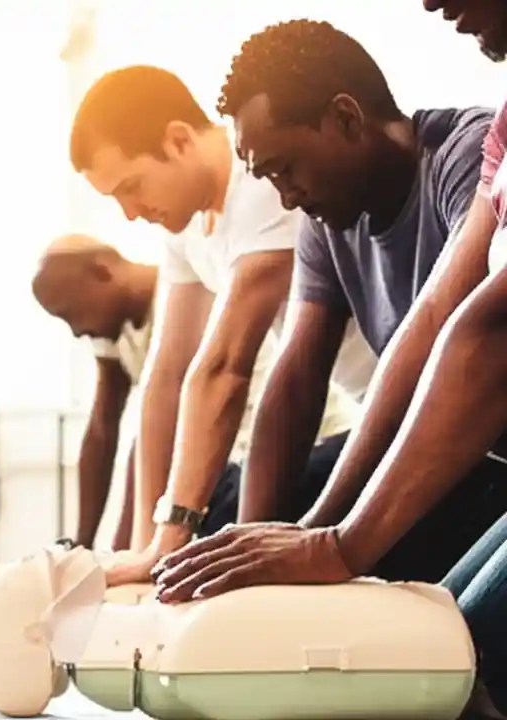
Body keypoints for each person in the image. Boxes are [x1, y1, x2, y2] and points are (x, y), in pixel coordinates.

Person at [157, 6, 507, 715]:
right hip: (451, 432)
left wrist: (331, 542)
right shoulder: (330, 215)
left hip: (481, 458)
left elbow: (465, 335)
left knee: (454, 661)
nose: (284, 195)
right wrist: (266, 548)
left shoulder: (461, 151)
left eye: (286, 168)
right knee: (449, 646)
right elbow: (310, 371)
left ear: (346, 119)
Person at [67, 65, 372, 586]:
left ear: (179, 140)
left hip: (412, 416)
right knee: (209, 519)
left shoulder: (262, 180)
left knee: (220, 517)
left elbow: (224, 366)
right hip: (379, 411)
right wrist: (145, 547)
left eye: (132, 186)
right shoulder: (185, 226)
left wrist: (170, 535)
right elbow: (165, 378)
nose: (131, 214)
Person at [32, 233, 158, 551]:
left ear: (103, 272)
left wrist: (126, 551)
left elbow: (160, 433)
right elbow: (103, 429)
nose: (75, 331)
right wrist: (83, 545)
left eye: (70, 312)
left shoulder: (181, 293)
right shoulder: (112, 324)